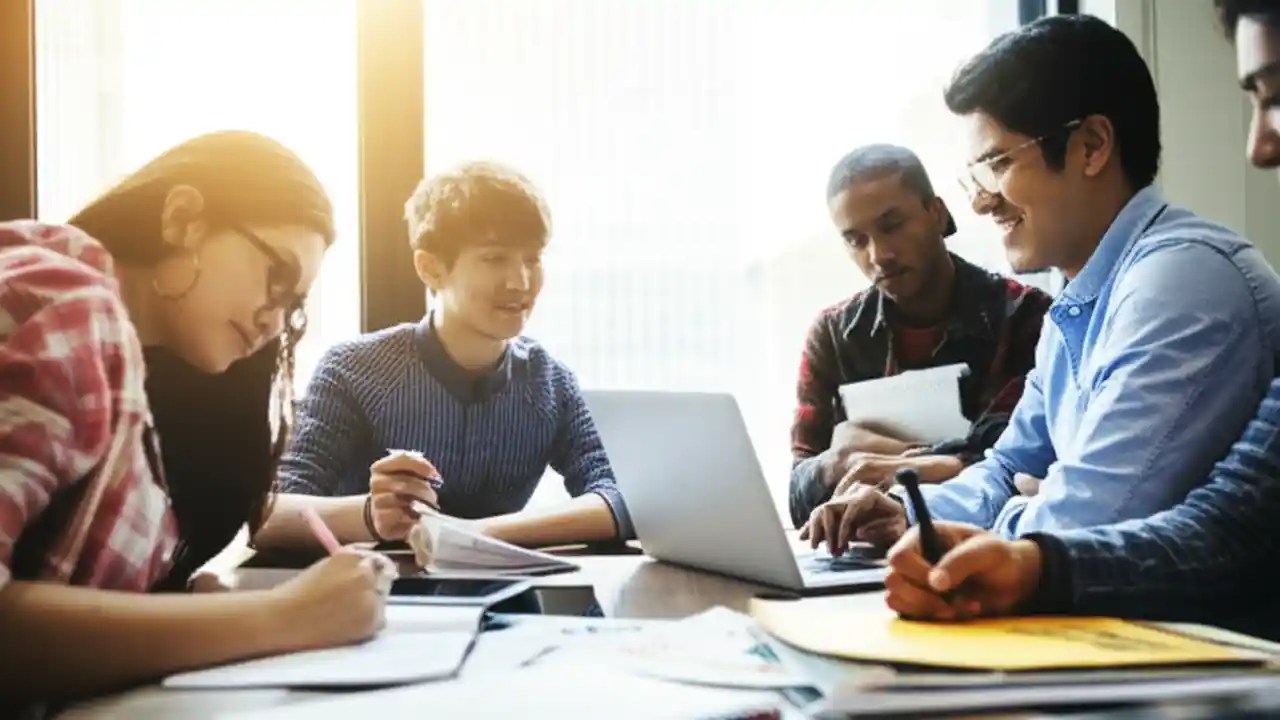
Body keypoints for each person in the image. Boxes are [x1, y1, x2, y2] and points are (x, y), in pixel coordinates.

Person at [804, 14, 1280, 555]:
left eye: (997, 164)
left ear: (1092, 146)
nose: (981, 200)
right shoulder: (1080, 302)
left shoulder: (1182, 281)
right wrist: (907, 512)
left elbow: (1084, 521)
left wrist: (1019, 504)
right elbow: (1009, 467)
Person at [0, 131, 395, 711]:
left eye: (293, 305)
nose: (273, 319)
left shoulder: (127, 364)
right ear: (184, 219)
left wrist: (187, 611)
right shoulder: (71, 305)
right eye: (276, 276)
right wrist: (279, 616)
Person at [263, 161, 631, 550]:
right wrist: (372, 514)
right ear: (430, 268)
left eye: (532, 259)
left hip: (505, 597)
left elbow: (622, 496)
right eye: (495, 259)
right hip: (368, 595)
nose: (520, 282)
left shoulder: (550, 384)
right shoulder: (352, 371)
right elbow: (271, 514)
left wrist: (475, 535)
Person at [789, 144, 1051, 528]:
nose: (878, 255)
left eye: (891, 226)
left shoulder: (1027, 317)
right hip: (866, 554)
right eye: (855, 240)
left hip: (984, 551)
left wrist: (880, 455)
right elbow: (798, 493)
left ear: (937, 213)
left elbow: (1022, 468)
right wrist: (840, 460)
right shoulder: (832, 334)